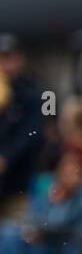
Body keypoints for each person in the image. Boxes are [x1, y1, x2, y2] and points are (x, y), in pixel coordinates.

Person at [0, 35, 45, 224]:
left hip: (16, 181)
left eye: (8, 57)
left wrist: (6, 157)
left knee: (14, 232)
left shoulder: (30, 92)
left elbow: (31, 134)